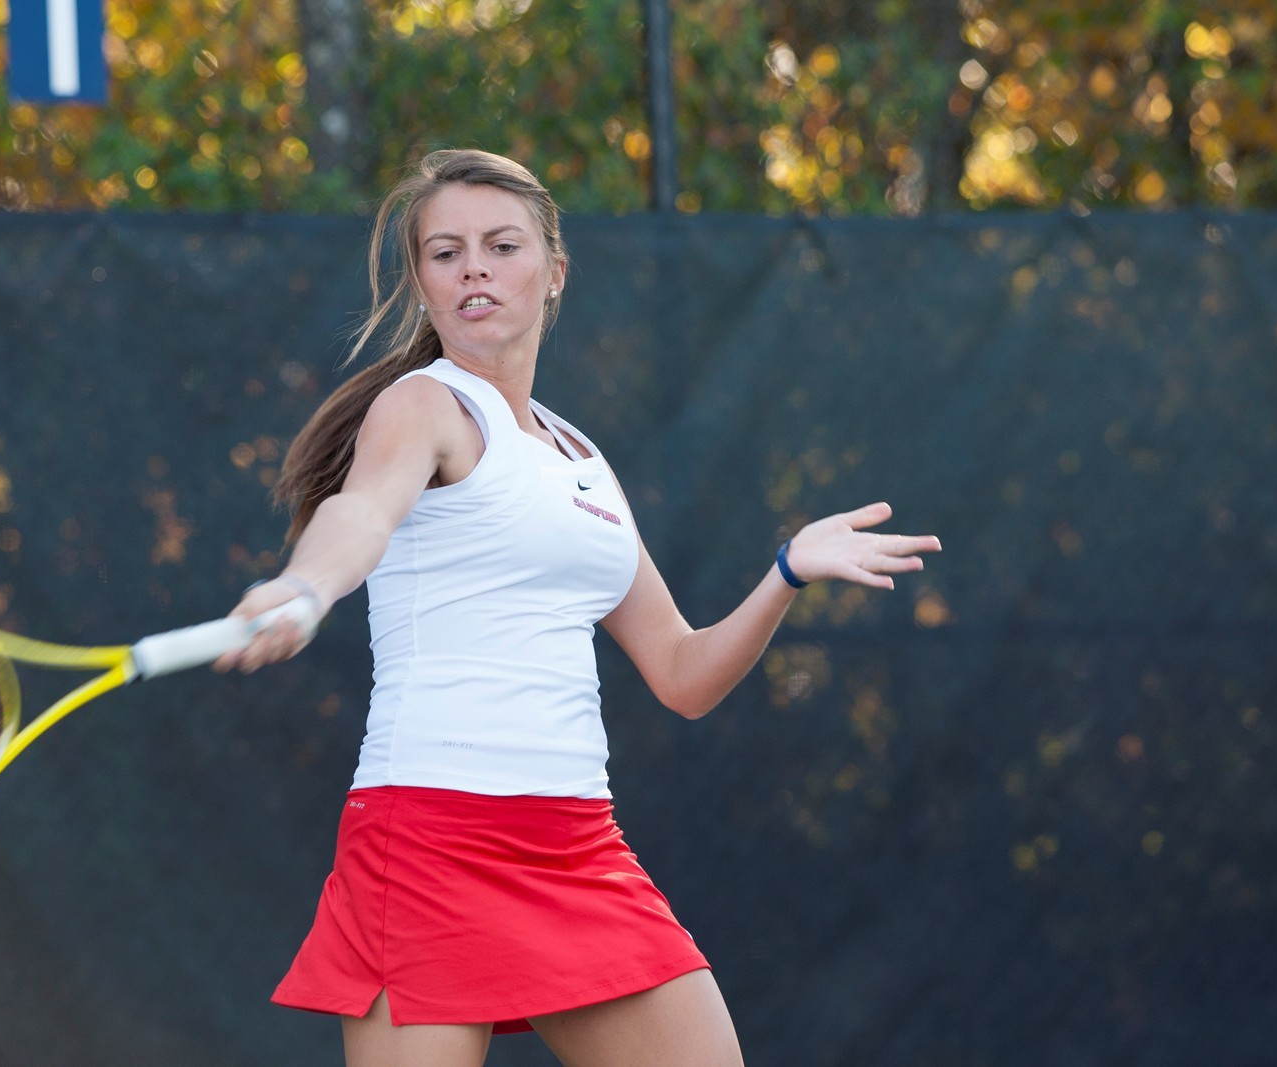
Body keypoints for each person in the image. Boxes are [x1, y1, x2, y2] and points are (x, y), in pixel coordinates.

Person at [214, 149, 941, 1067]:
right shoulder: (423, 405)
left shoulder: (580, 460)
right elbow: (360, 511)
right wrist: (306, 586)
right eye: (445, 252)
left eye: (500, 244)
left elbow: (682, 673)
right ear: (425, 283)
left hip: (574, 841)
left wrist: (785, 572)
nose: (473, 267)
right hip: (429, 831)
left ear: (553, 273)